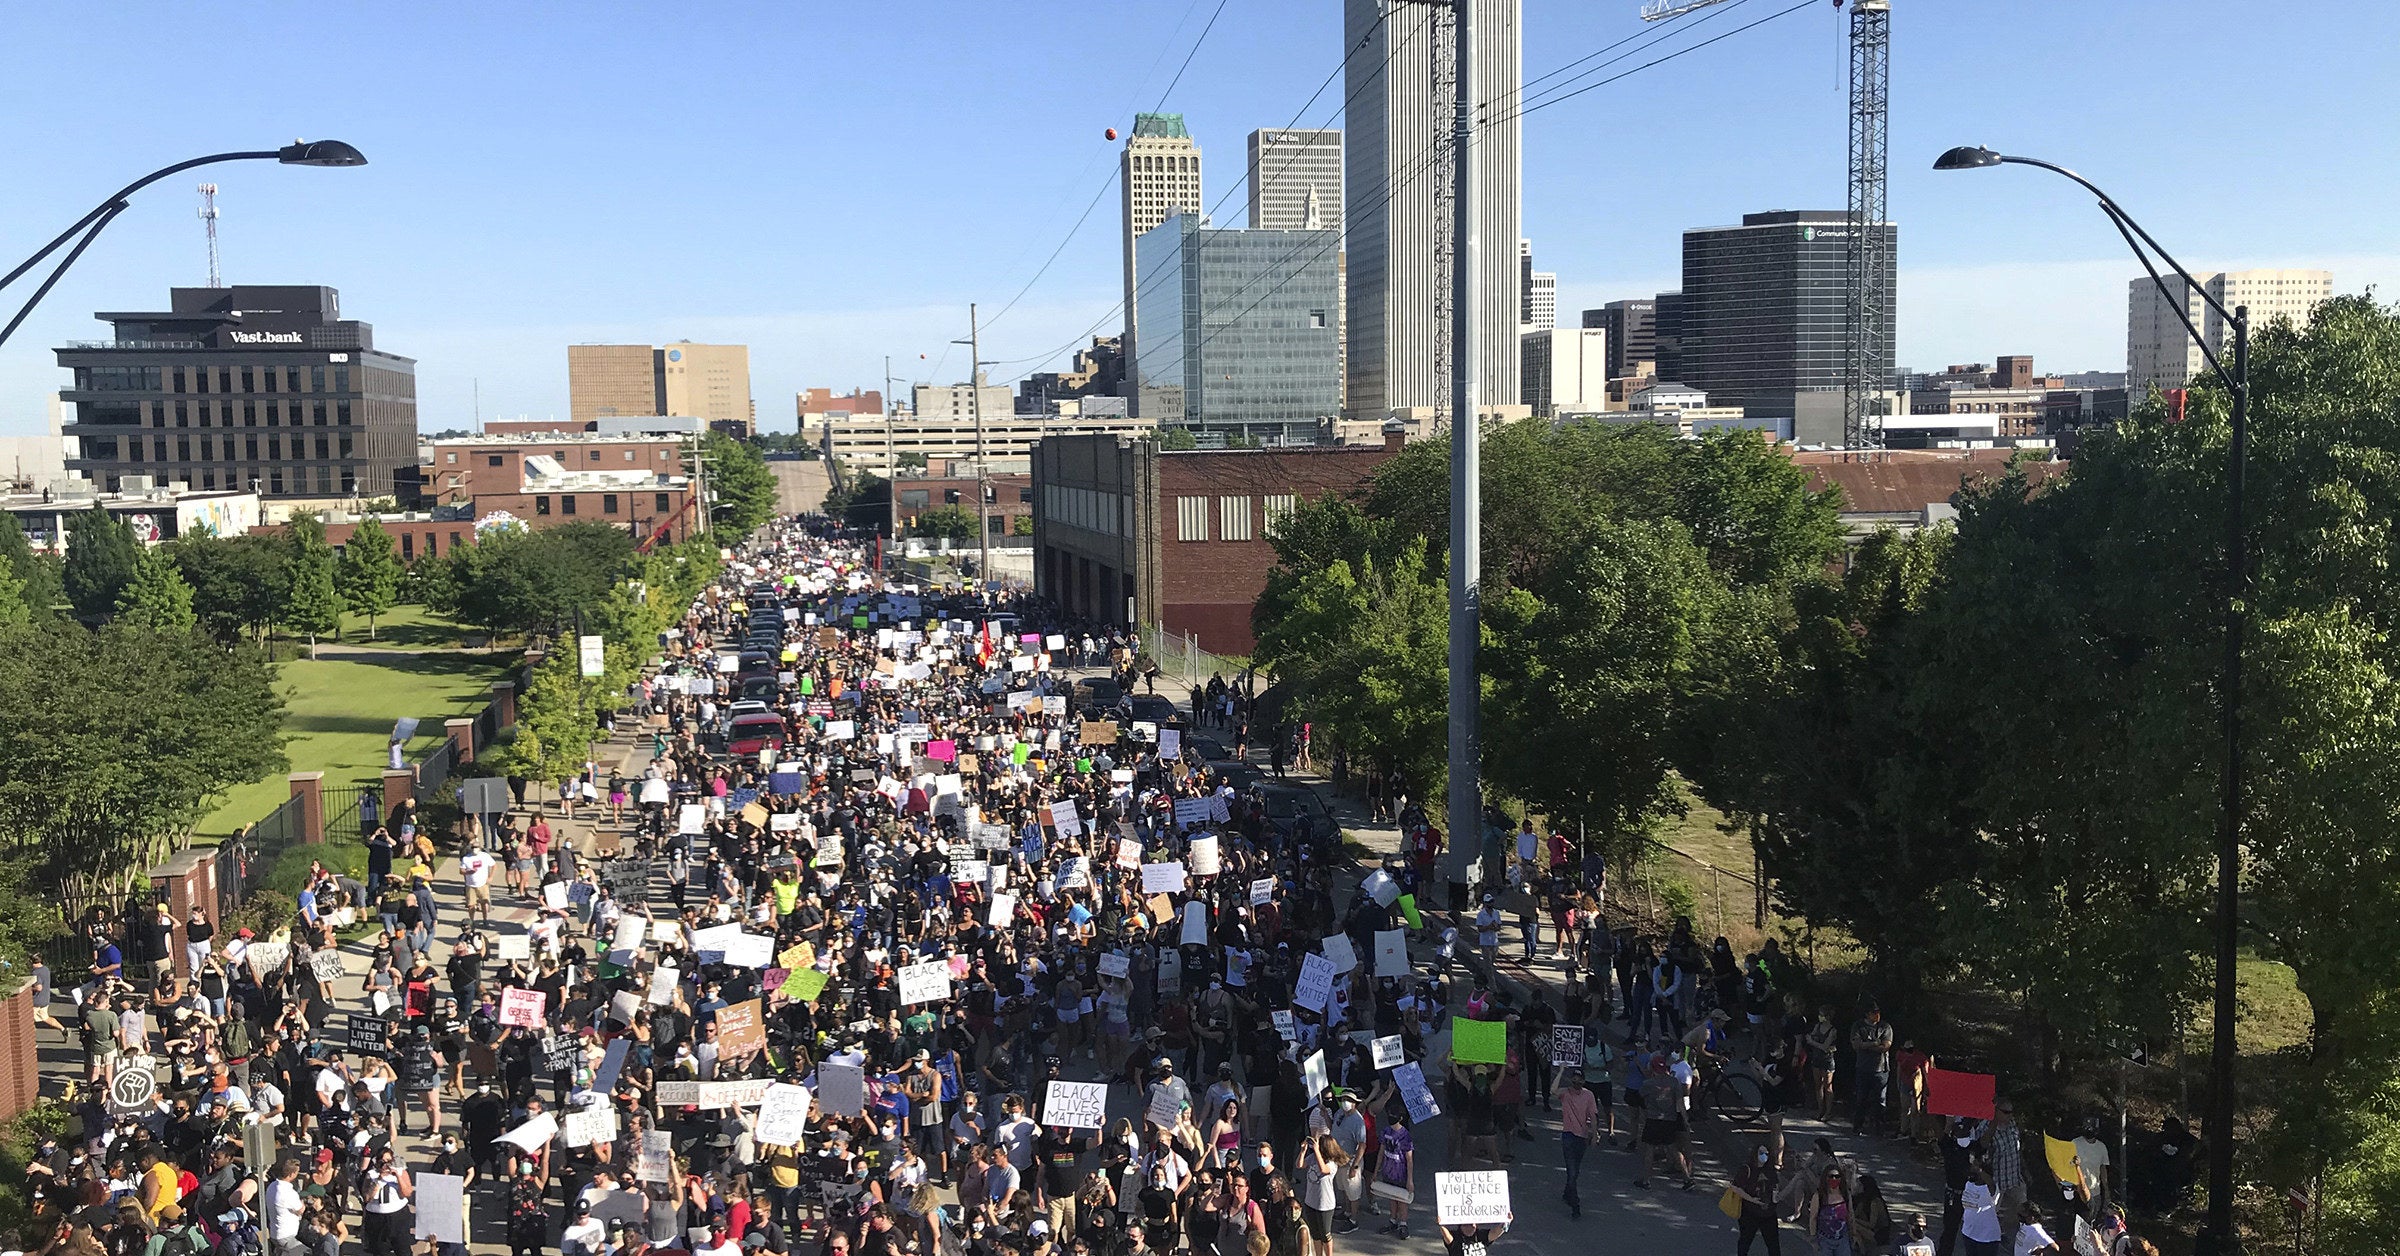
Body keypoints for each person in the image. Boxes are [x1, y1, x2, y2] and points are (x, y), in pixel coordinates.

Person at [1729, 1141, 1783, 1256]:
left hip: (1769, 1213)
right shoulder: (1747, 1169)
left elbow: (1775, 1186)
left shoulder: (1770, 1170)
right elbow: (1735, 1187)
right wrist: (1751, 1199)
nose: (1764, 1156)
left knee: (1773, 1245)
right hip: (1750, 1213)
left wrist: (1775, 1197)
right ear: (1755, 1153)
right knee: (1745, 1241)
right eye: (1762, 1153)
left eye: (1767, 1154)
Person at [1556, 1068, 1596, 1219]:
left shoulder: (1588, 1095)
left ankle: (1568, 1192)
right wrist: (1560, 1071)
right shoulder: (1565, 1093)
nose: (1576, 1082)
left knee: (1575, 1171)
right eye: (1574, 1079)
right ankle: (1575, 1204)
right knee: (1571, 1171)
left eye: (1579, 1079)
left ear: (1583, 1081)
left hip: (1582, 1137)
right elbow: (1553, 1090)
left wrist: (1594, 1134)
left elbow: (1593, 1116)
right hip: (1568, 1136)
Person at [1850, 1002, 1894, 1136]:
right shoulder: (1858, 1026)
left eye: (1878, 1012)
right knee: (1861, 1098)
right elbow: (1856, 1045)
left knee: (1880, 1100)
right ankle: (1858, 1126)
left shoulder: (1885, 1027)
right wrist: (1875, 1043)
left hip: (1881, 1070)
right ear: (1867, 1014)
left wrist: (1866, 1045)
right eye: (1874, 1013)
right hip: (1863, 1068)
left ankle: (1879, 1128)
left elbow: (1885, 1046)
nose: (1877, 1015)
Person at [1802, 1165, 1851, 1256]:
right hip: (1824, 1240)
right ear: (1825, 1178)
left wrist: (1854, 1233)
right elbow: (1813, 1218)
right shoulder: (1819, 1196)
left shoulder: (1845, 1194)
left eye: (1837, 1176)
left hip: (1843, 1239)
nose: (1834, 1179)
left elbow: (1850, 1215)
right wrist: (1813, 1239)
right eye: (1831, 1176)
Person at [1435, 1210, 1508, 1256]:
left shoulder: (1481, 1235)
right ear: (1461, 1226)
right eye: (1467, 1225)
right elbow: (1447, 1236)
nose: (1471, 1227)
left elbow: (1495, 1232)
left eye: (1472, 1224)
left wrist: (1506, 1222)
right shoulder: (1456, 1237)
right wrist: (1441, 1224)